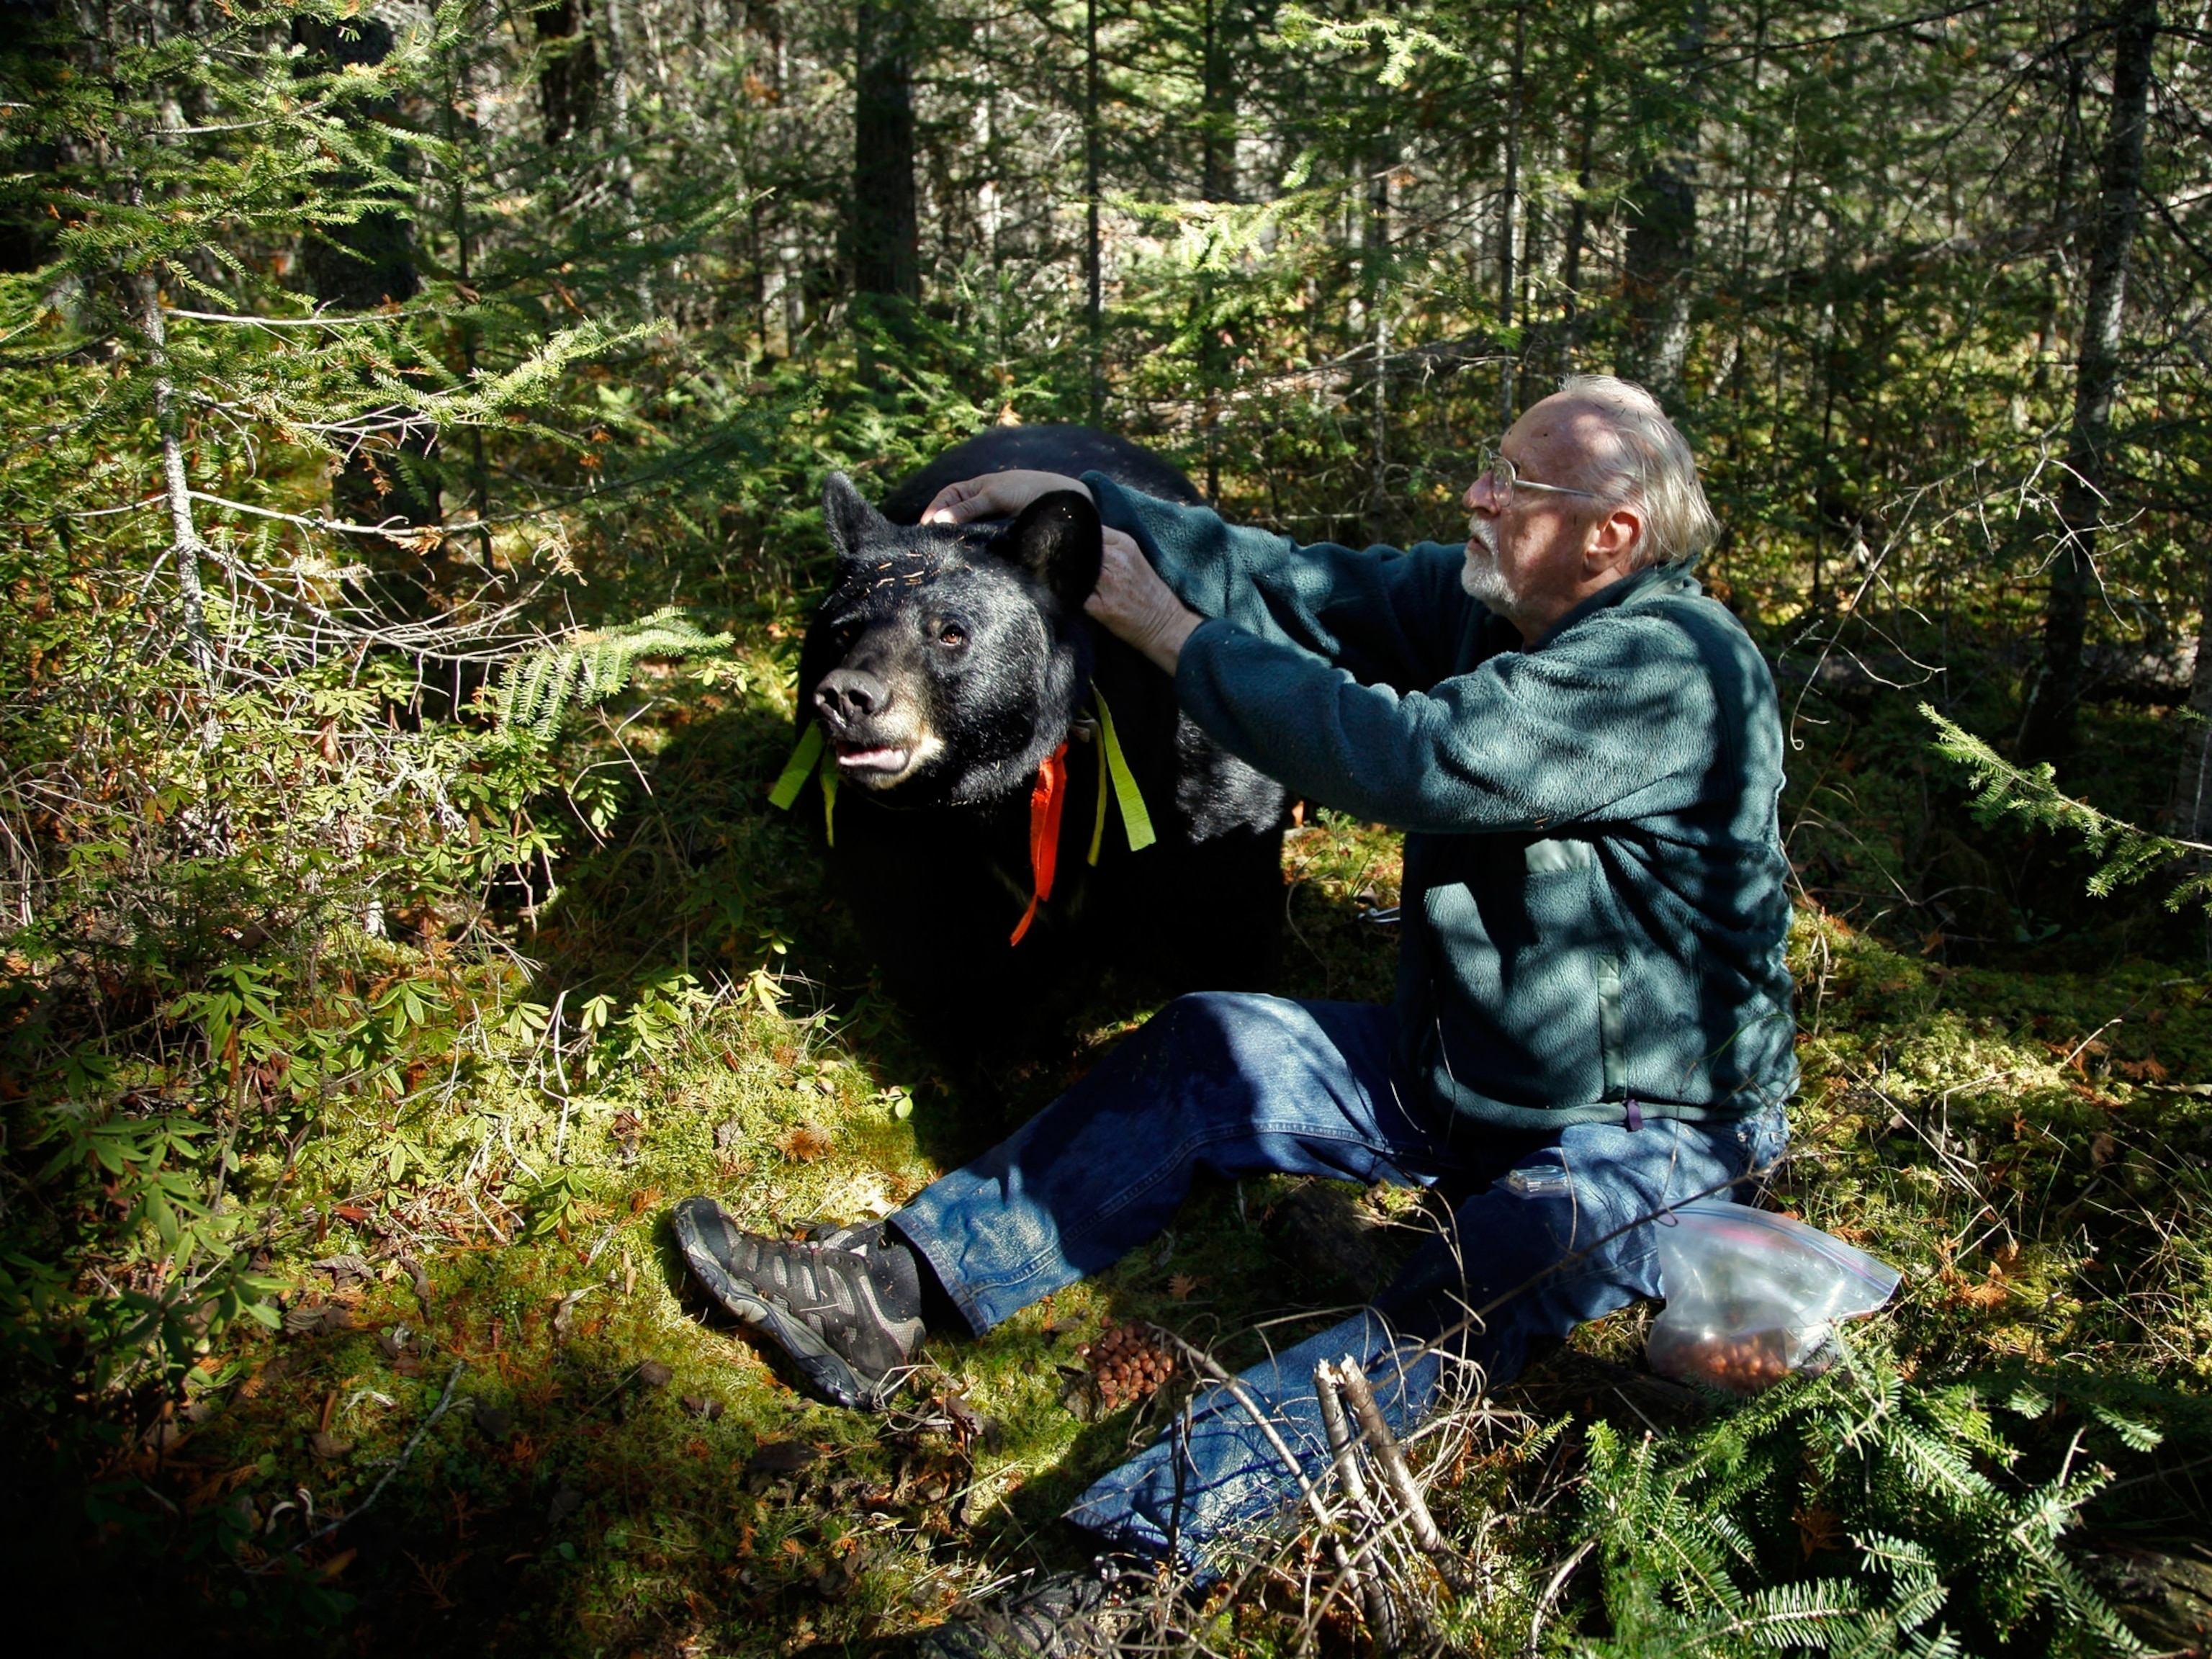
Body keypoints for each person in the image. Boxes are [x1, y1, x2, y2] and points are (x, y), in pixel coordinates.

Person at [673, 374, 1796, 1655]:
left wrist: (1171, 634)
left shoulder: (1674, 666)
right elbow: (1297, 580)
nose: (1477, 494)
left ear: (1612, 535)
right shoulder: (1494, 608)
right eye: (1491, 463)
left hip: (1654, 1129)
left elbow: (1413, 758)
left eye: (1515, 482)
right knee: (1216, 1043)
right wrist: (1085, 498)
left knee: (1452, 1307)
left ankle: (1119, 1577)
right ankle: (886, 1289)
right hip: (1464, 1068)